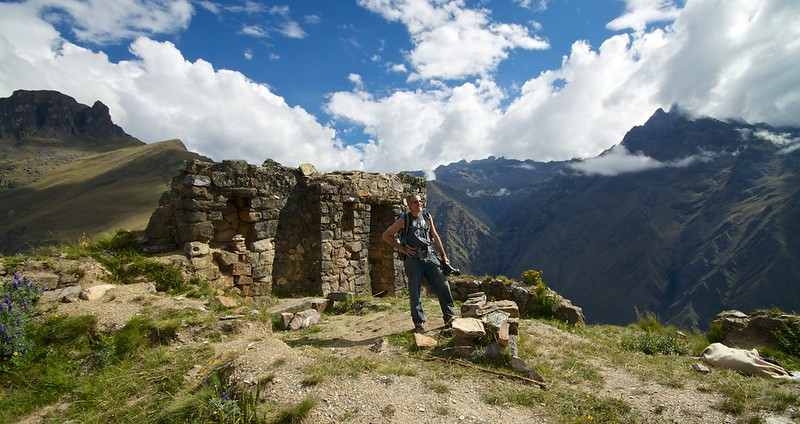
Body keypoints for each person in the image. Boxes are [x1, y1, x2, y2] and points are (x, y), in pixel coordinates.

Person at [382, 194, 458, 333]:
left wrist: (444, 256)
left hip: (430, 255)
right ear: (409, 205)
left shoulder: (427, 216)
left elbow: (435, 235)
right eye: (415, 202)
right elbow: (386, 235)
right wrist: (402, 249)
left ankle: (450, 316)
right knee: (414, 291)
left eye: (420, 201)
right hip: (413, 259)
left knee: (443, 284)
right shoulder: (404, 219)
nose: (419, 204)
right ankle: (419, 323)